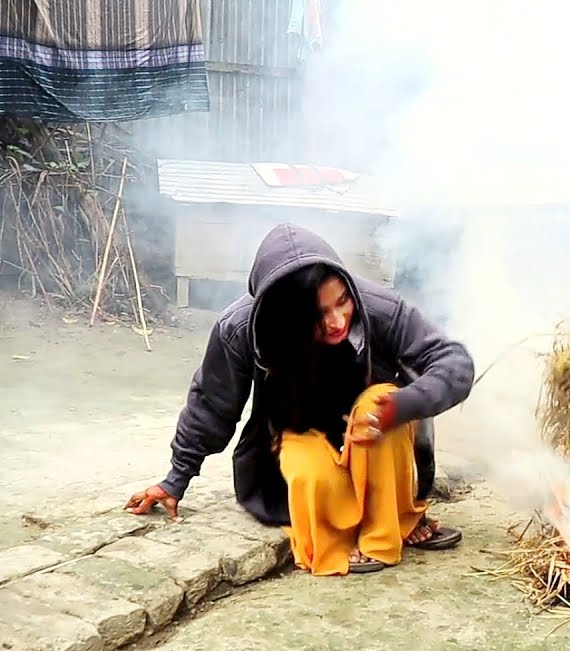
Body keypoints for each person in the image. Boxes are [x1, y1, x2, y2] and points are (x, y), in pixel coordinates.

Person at [125, 223, 476, 576]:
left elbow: (454, 363)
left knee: (380, 400)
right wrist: (176, 479)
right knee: (312, 476)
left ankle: (396, 520)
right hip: (296, 435)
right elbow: (211, 405)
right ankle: (347, 528)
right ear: (288, 316)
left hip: (372, 437)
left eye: (343, 302)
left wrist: (403, 407)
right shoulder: (240, 329)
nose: (338, 321)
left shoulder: (378, 306)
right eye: (319, 314)